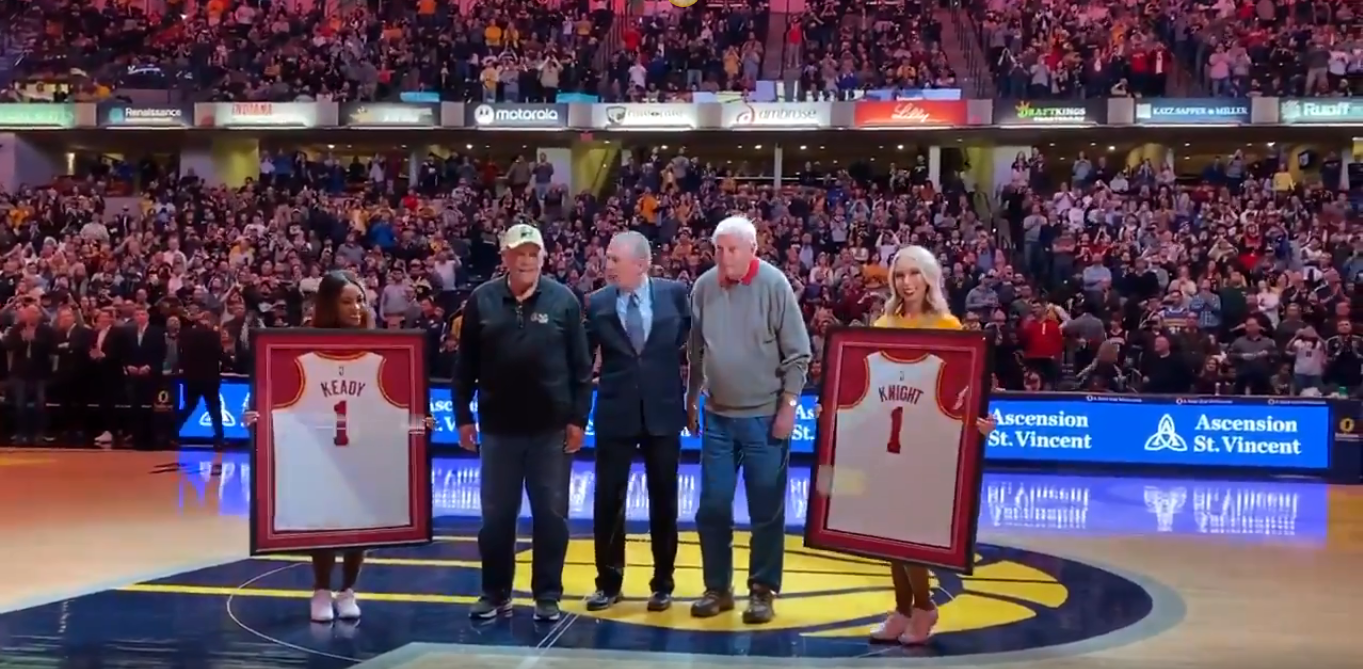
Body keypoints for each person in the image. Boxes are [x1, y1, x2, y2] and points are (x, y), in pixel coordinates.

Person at [817, 245, 996, 645]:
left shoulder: (948, 326)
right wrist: (833, 408)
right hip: (886, 441)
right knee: (888, 531)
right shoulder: (883, 324)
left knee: (911, 532)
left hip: (926, 444)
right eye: (900, 275)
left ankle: (924, 607)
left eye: (915, 273)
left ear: (929, 278)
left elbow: (964, 389)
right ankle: (902, 608)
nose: (907, 282)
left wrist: (978, 421)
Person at [242, 271, 432, 623]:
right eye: (347, 301)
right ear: (328, 304)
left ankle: (348, 590)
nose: (356, 308)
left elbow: (393, 406)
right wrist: (254, 414)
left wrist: (419, 422)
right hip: (321, 450)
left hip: (363, 450)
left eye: (360, 300)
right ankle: (320, 590)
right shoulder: (300, 344)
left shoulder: (381, 347)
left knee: (359, 524)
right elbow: (273, 391)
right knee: (325, 521)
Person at [453, 223, 593, 623]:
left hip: (550, 431)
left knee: (551, 516)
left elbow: (581, 368)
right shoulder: (481, 300)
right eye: (519, 253)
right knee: (496, 518)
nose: (527, 259)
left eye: (534, 253)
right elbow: (466, 366)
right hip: (497, 430)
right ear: (505, 257)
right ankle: (495, 592)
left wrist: (578, 419)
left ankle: (547, 595)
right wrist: (463, 416)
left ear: (543, 258)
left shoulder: (564, 300)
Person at [685, 215, 811, 624]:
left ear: (752, 249)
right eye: (718, 249)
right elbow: (696, 350)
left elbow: (799, 353)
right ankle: (717, 588)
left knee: (766, 508)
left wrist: (788, 408)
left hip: (764, 415)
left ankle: (763, 590)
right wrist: (692, 398)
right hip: (717, 416)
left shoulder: (774, 286)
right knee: (713, 506)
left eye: (731, 249)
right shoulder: (703, 287)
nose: (723, 257)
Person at [583, 231, 691, 612]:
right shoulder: (596, 303)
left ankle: (663, 583)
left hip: (662, 411)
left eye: (615, 260)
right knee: (608, 501)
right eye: (607, 258)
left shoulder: (676, 295)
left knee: (665, 500)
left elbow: (692, 345)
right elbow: (582, 363)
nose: (607, 266)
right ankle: (608, 583)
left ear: (641, 264)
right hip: (615, 412)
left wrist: (692, 397)